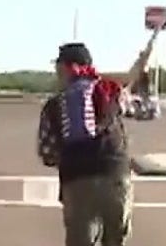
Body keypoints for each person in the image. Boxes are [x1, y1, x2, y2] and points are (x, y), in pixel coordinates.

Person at [37, 42, 133, 246]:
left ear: (65, 68)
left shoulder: (54, 105)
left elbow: (47, 153)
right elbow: (147, 111)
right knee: (115, 239)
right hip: (114, 172)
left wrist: (69, 156)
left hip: (76, 178)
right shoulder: (111, 91)